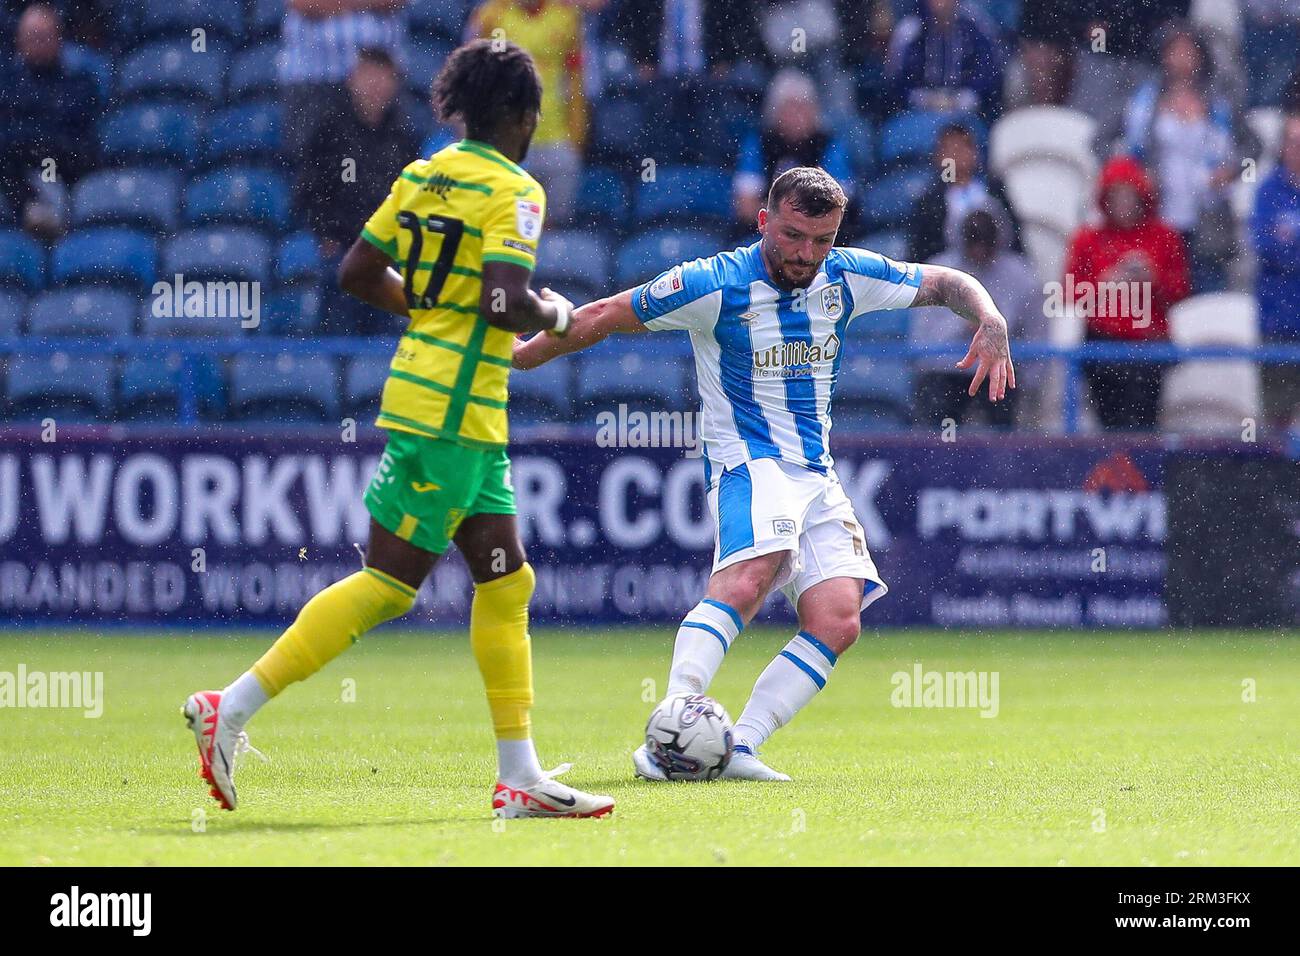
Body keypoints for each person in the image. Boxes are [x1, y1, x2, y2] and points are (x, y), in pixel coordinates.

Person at [183, 39, 614, 820]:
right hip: (452, 412)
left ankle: (519, 775)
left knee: (508, 582)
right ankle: (232, 706)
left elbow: (354, 271)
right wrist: (553, 312)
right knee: (388, 586)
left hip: (448, 401)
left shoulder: (423, 173)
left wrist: (434, 310)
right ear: (523, 115)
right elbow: (500, 302)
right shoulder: (516, 188)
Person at [514, 167, 1015, 781]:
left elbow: (945, 281)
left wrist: (990, 317)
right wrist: (514, 359)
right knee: (755, 572)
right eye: (793, 236)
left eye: (821, 240)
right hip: (748, 460)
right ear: (764, 222)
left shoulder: (846, 276)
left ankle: (737, 747)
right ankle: (669, 730)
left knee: (838, 618)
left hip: (816, 472)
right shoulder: (714, 283)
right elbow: (605, 315)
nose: (806, 254)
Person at [1120, 19, 1254, 292]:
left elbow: (1253, 146)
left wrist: (1234, 170)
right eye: (1175, 51)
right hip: (1158, 213)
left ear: (1201, 56)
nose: (1181, 59)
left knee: (1207, 292)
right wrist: (1137, 176)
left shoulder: (1218, 99)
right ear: (1163, 56)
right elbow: (1110, 142)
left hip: (1208, 215)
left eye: (1188, 51)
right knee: (1164, 290)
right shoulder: (1146, 101)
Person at [294, 46, 420, 335]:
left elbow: (414, 195)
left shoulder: (404, 134)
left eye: (382, 76)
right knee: (338, 330)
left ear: (394, 83)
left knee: (387, 338)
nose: (375, 84)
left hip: (390, 253)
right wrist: (324, 233)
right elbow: (308, 188)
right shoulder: (330, 129)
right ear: (352, 79)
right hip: (343, 249)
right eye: (368, 75)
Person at [1063, 155, 1190, 430]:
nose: (1123, 203)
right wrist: (1102, 285)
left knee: (1143, 424)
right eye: (1116, 195)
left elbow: (1180, 290)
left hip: (1148, 345)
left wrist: (1154, 279)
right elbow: (1069, 294)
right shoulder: (1087, 239)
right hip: (1102, 344)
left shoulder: (1164, 237)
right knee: (1111, 426)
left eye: (1129, 194)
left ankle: (1140, 469)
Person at [912, 208, 1043, 429]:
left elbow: (1037, 333)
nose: (980, 252)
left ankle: (1003, 458)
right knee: (939, 413)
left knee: (1003, 421)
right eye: (974, 243)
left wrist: (1031, 380)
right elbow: (920, 340)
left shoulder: (1021, 276)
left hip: (999, 368)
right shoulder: (937, 272)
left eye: (986, 244)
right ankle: (939, 456)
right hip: (948, 369)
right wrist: (962, 325)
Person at [468, 0, 587, 223]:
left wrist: (577, 137)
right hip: (505, 140)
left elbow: (576, 80)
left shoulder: (567, 16)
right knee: (505, 222)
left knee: (554, 226)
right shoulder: (490, 15)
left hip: (557, 138)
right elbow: (473, 78)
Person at [0, 3, 98, 239]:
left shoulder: (78, 83)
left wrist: (25, 133)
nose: (35, 42)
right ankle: (29, 209)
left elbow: (74, 138)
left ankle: (43, 215)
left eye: (42, 36)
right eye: (30, 36)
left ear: (58, 38)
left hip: (60, 166)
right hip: (14, 166)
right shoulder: (8, 83)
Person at [279, 0, 408, 164]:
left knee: (382, 164)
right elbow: (303, 3)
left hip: (380, 76)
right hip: (317, 79)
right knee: (320, 167)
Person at [733, 70, 855, 233]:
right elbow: (746, 207)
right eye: (790, 107)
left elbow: (839, 203)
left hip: (819, 233)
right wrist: (798, 217)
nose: (797, 115)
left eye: (803, 106)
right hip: (764, 234)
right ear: (774, 111)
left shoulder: (829, 144)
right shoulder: (759, 143)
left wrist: (789, 216)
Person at [907, 121, 1021, 264]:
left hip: (996, 267)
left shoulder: (996, 191)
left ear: (976, 153)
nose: (957, 155)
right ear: (938, 157)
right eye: (950, 149)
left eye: (963, 147)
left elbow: (1015, 240)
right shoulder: (930, 202)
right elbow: (921, 251)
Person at [1250, 110, 1300, 427]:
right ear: (1282, 146)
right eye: (1293, 141)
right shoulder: (1267, 191)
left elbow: (1283, 249)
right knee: (1276, 421)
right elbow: (1267, 247)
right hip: (1279, 321)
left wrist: (1290, 242)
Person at [887, 0, 1004, 119]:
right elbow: (897, 79)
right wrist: (925, 99)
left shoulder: (976, 24)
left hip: (967, 112)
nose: (942, 3)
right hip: (918, 113)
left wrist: (961, 101)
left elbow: (988, 73)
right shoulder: (910, 28)